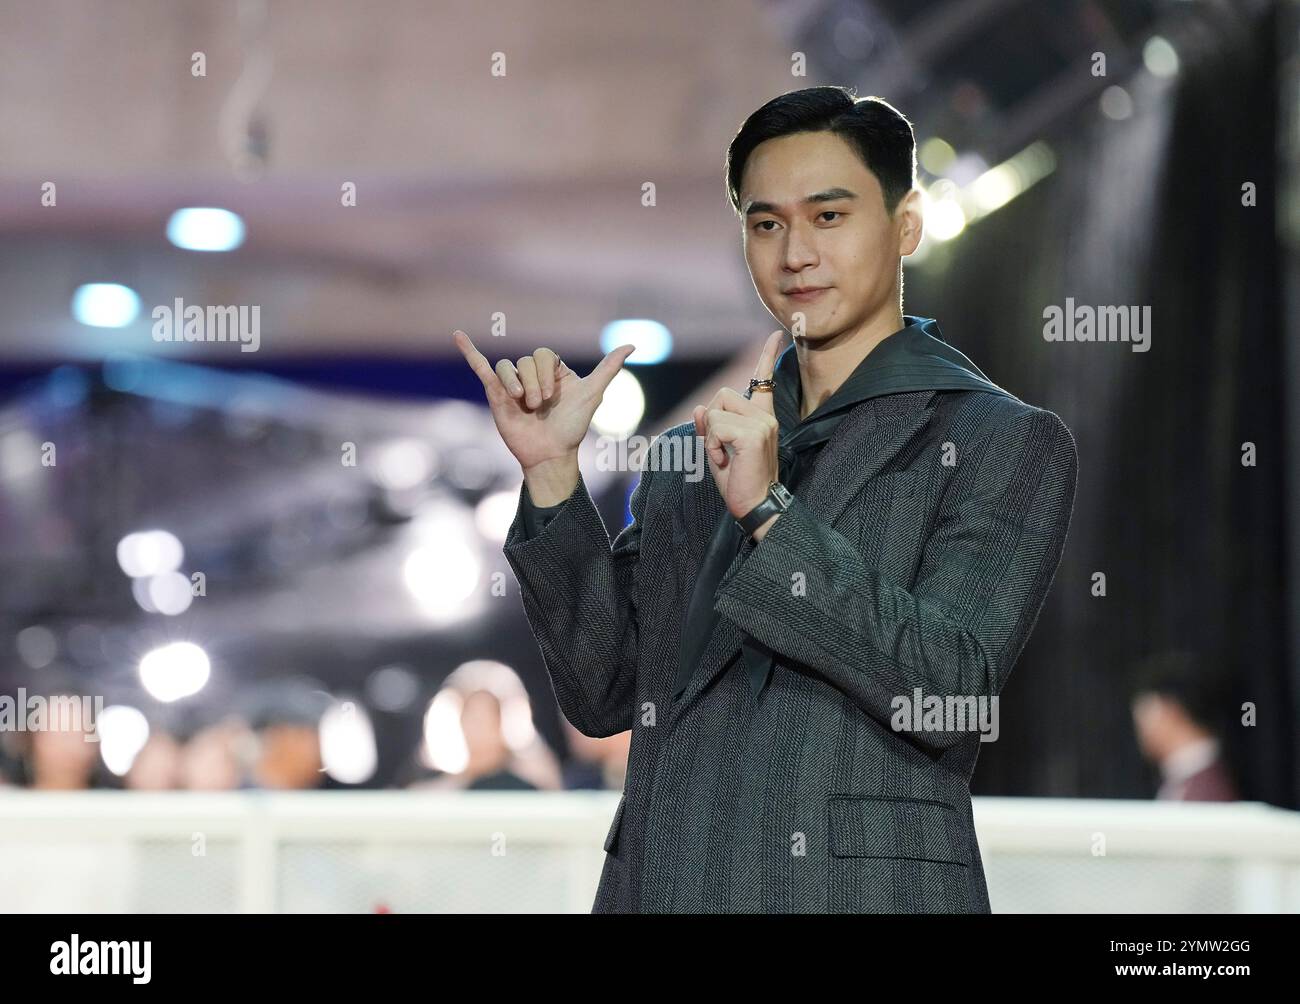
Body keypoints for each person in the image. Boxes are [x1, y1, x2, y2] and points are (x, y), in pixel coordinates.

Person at [455, 85, 1077, 913]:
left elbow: (951, 691)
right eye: (766, 223)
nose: (795, 254)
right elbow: (604, 692)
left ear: (907, 225)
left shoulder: (998, 439)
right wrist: (552, 474)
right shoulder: (687, 457)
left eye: (829, 216)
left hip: (856, 891)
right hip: (662, 886)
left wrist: (770, 514)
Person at [1130, 651, 1239, 802]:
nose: (1140, 724)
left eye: (1146, 709)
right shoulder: (1187, 782)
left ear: (1170, 711)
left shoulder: (1206, 790)